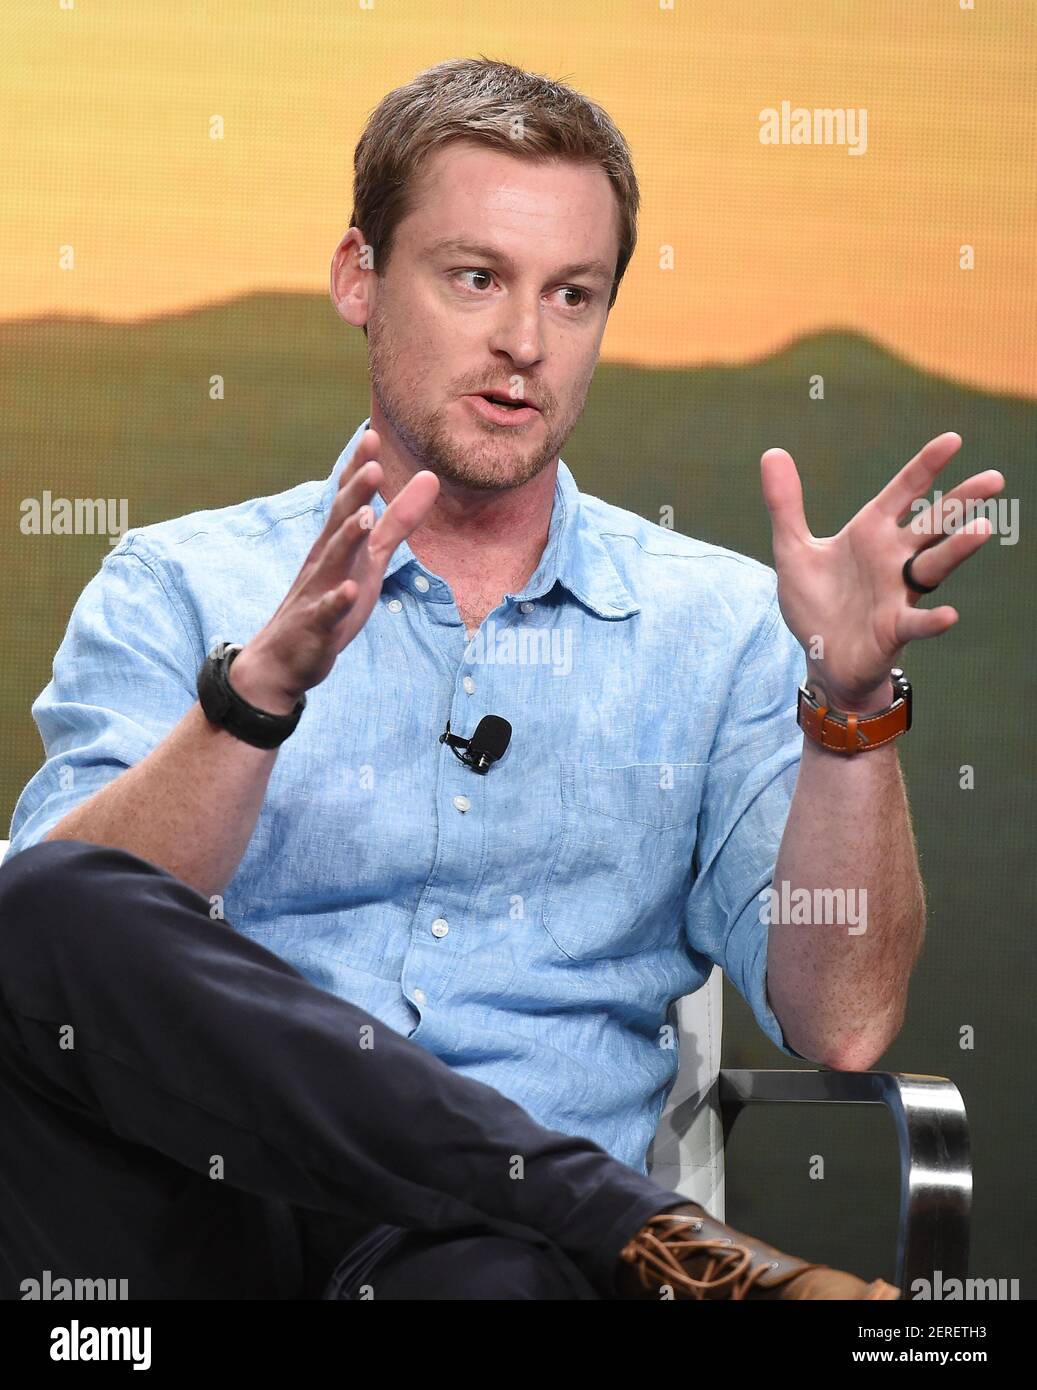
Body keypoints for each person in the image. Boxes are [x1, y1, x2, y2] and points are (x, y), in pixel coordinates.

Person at [0, 57, 999, 1301]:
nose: (523, 342)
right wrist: (251, 703)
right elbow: (51, 969)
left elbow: (842, 1023)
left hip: (487, 1268)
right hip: (182, 1242)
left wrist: (848, 713)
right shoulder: (177, 583)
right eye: (474, 278)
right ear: (358, 278)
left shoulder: (723, 624)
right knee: (45, 903)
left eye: (571, 294)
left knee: (486, 1289)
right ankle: (661, 1242)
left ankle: (601, 1230)